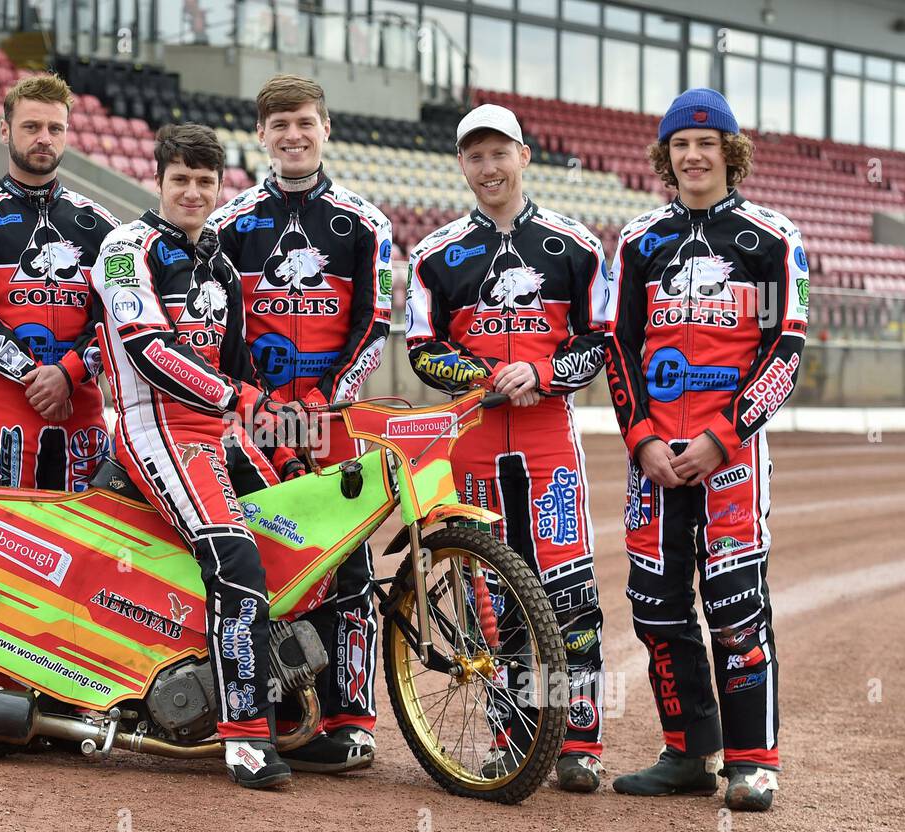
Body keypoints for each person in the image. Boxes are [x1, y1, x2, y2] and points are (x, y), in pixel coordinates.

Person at [605, 89, 808, 811]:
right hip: (654, 459)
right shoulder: (639, 241)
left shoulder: (772, 237)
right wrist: (641, 437)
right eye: (680, 145)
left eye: (707, 142)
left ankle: (753, 762)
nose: (693, 155)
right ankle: (689, 752)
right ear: (666, 157)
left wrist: (725, 436)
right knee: (655, 609)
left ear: (730, 151)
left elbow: (787, 350)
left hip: (733, 458)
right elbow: (619, 348)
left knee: (734, 607)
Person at [404, 104, 610, 793]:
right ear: (461, 165)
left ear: (525, 156)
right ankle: (513, 741)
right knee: (490, 594)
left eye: (500, 153)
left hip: (551, 443)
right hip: (474, 444)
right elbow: (422, 350)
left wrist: (545, 375)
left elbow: (598, 343)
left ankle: (578, 741)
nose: (489, 168)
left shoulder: (575, 244)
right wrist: (487, 377)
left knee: (567, 592)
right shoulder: (434, 256)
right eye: (475, 157)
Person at [92, 124, 300, 790]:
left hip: (216, 429)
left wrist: (283, 443)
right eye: (180, 178)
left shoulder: (221, 262)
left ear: (218, 188)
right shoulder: (126, 247)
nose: (192, 191)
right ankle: (243, 738)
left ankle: (312, 713)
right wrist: (237, 399)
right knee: (235, 556)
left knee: (306, 529)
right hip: (155, 425)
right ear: (160, 180)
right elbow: (149, 350)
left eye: (204, 181)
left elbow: (239, 367)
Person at [207, 74, 392, 773]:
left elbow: (376, 324)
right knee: (267, 565)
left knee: (347, 570)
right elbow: (215, 330)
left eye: (305, 123)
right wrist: (248, 399)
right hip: (251, 426)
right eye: (279, 124)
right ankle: (283, 711)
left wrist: (331, 397)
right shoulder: (226, 227)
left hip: (332, 423)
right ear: (260, 135)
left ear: (325, 129)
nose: (293, 135)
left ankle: (349, 719)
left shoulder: (365, 223)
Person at [0, 75, 119, 491]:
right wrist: (38, 377)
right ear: (5, 131)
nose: (44, 138)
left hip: (83, 412)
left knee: (88, 546)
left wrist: (68, 375)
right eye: (31, 127)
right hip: (4, 413)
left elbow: (117, 320)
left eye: (55, 129)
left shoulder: (105, 227)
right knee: (1, 546)